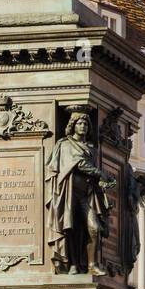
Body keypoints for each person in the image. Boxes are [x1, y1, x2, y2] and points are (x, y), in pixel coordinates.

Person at [45, 111, 114, 275]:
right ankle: (73, 264)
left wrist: (104, 181)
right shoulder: (65, 144)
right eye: (79, 123)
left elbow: (90, 168)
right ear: (73, 126)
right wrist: (100, 173)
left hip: (87, 194)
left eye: (85, 124)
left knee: (94, 228)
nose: (83, 126)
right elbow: (79, 163)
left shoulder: (92, 148)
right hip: (69, 193)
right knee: (70, 229)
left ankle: (92, 265)